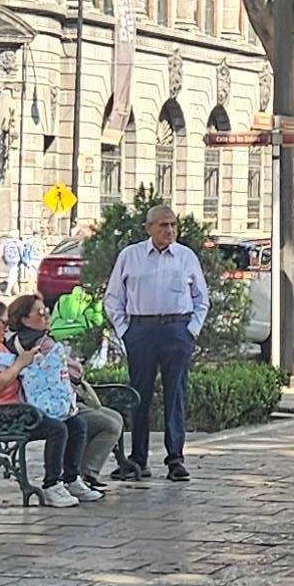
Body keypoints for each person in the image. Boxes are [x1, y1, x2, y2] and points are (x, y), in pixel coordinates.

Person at [102, 204, 209, 482]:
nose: (169, 230)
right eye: (163, 225)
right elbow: (113, 297)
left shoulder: (185, 256)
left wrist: (191, 331)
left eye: (173, 224)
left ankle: (175, 459)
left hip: (176, 329)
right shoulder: (130, 256)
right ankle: (138, 459)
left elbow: (201, 299)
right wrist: (126, 331)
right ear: (148, 228)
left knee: (175, 395)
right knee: (140, 395)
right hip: (142, 330)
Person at [0, 295, 78, 497]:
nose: (7, 328)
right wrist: (21, 363)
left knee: (75, 423)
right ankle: (52, 485)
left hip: (19, 407)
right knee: (57, 429)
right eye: (3, 323)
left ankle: (72, 478)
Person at [7, 293, 122, 496]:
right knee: (101, 424)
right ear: (24, 319)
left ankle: (73, 477)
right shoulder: (42, 343)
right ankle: (70, 478)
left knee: (91, 422)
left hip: (50, 401)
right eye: (40, 312)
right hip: (44, 405)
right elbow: (75, 373)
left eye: (47, 311)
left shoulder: (18, 340)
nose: (46, 315)